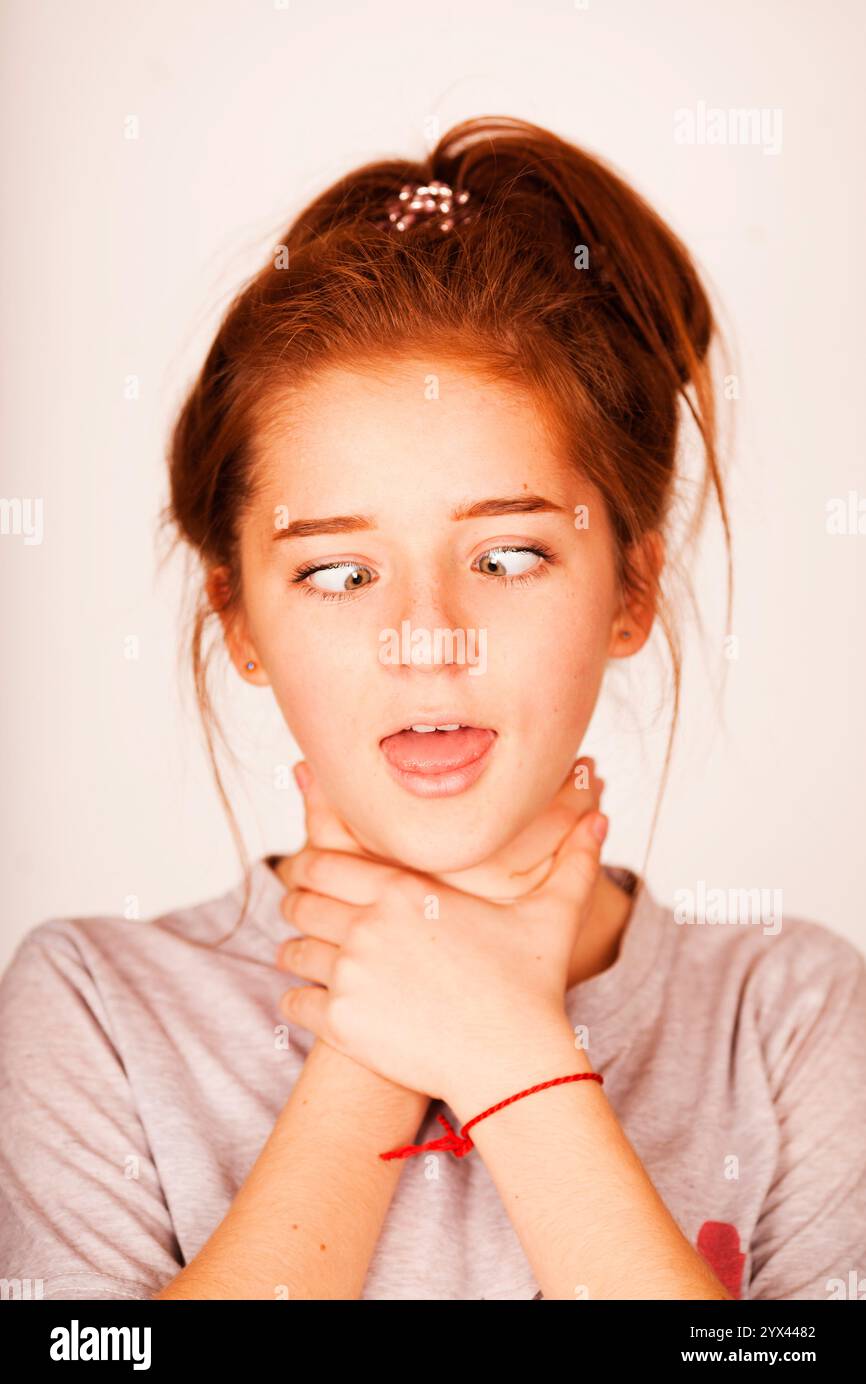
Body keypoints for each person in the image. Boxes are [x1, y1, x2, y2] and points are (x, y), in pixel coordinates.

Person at [2, 116, 865, 1302]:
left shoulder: (792, 1018)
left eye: (507, 557)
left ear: (631, 587)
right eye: (337, 573)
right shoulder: (89, 1009)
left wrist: (511, 1054)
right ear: (238, 617)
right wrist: (371, 1036)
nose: (424, 637)